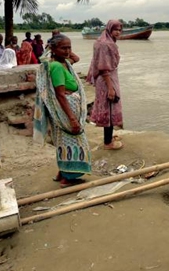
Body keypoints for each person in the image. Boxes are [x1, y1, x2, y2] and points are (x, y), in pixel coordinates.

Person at [33, 34, 91, 188]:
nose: (67, 51)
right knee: (74, 142)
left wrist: (65, 52)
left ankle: (62, 172)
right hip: (66, 113)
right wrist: (72, 118)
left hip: (68, 111)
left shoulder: (64, 63)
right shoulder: (57, 66)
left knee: (63, 143)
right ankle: (68, 178)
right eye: (63, 48)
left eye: (69, 47)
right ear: (53, 49)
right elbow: (59, 94)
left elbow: (74, 58)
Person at [87, 20, 124, 150]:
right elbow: (103, 68)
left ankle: (108, 137)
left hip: (108, 78)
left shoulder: (103, 41)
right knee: (109, 107)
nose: (118, 32)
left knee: (110, 107)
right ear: (109, 29)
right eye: (116, 30)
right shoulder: (105, 44)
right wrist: (110, 88)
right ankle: (108, 143)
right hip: (106, 79)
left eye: (120, 30)